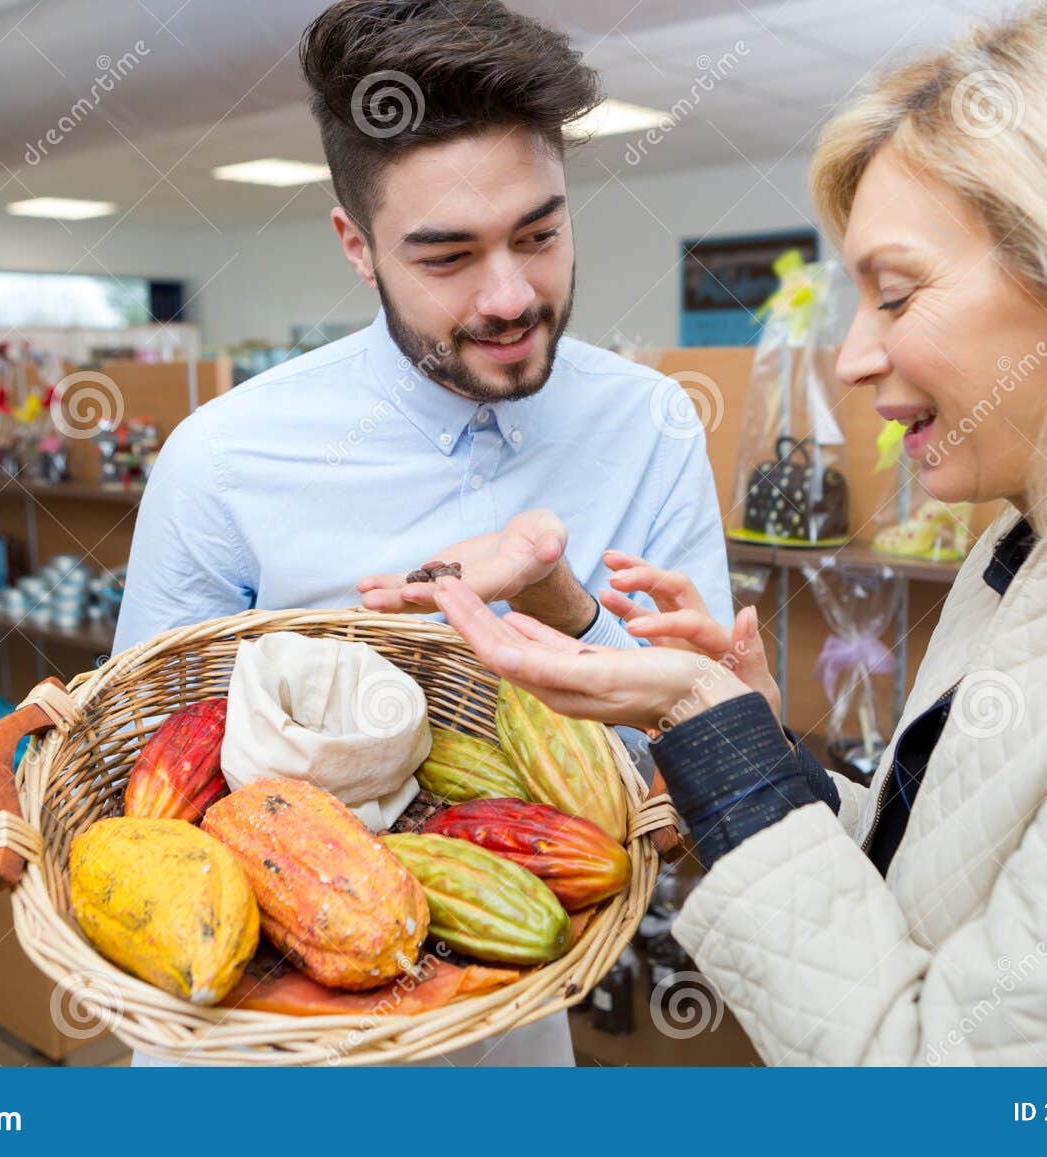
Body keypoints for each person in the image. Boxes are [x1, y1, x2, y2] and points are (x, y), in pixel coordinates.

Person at [434, 0, 1047, 1065]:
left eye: (896, 296)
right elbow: (932, 888)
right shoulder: (1034, 547)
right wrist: (757, 749)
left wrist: (705, 728)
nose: (855, 357)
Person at [112, 0, 732, 1066]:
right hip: (249, 1052)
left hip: (508, 1032)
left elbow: (692, 763)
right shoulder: (223, 457)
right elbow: (147, 784)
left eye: (539, 234)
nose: (510, 296)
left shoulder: (649, 424)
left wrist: (563, 609)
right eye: (447, 256)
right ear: (356, 246)